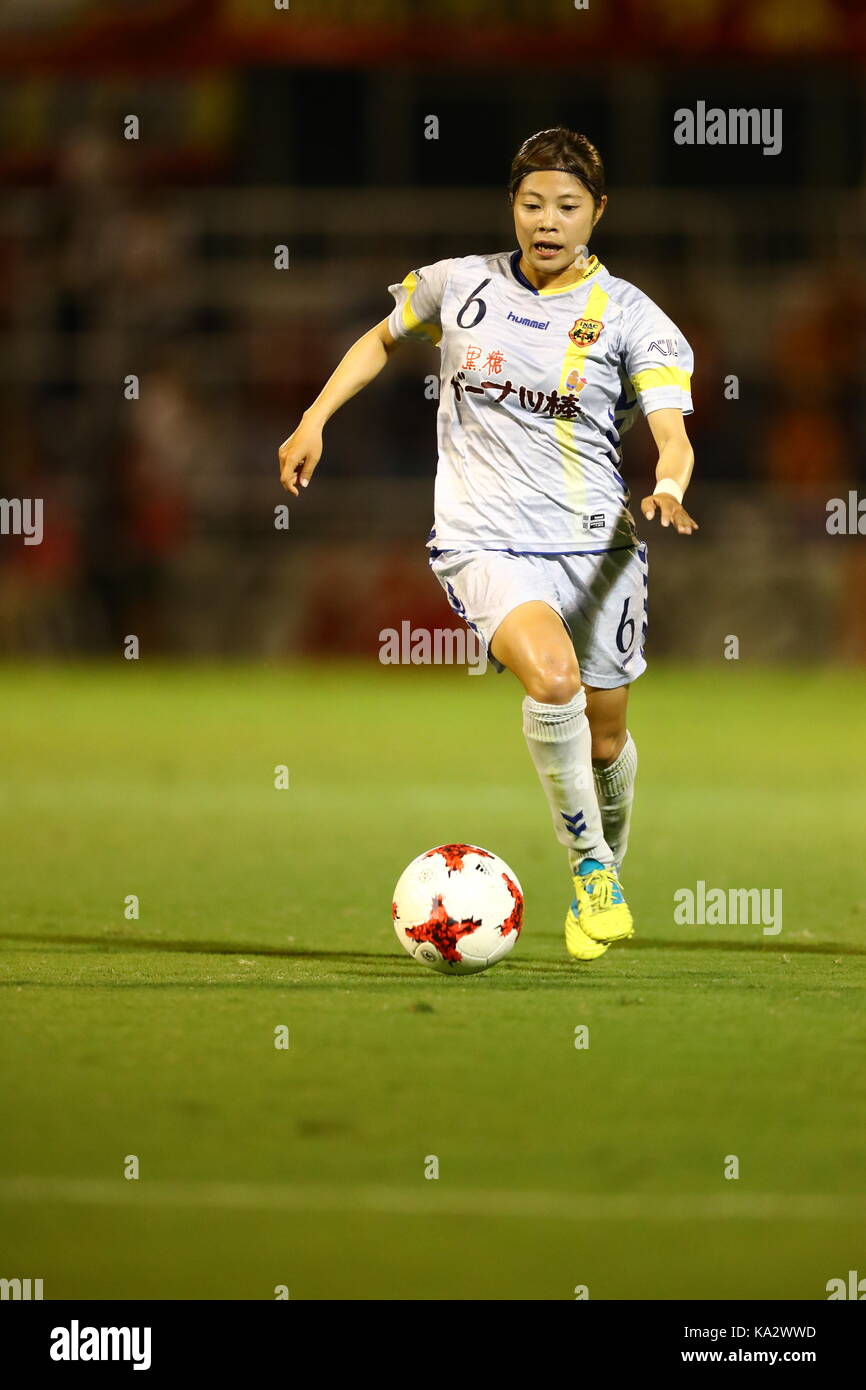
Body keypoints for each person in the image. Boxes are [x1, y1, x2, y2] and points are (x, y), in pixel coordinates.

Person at [278, 126, 698, 962]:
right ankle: (590, 872)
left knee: (607, 737)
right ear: (513, 206)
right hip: (485, 540)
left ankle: (609, 857)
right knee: (552, 678)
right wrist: (314, 417)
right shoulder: (457, 285)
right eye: (533, 203)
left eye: (567, 207)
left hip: (598, 551)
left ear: (597, 213)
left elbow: (671, 432)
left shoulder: (631, 317)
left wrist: (669, 486)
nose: (548, 221)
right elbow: (379, 339)